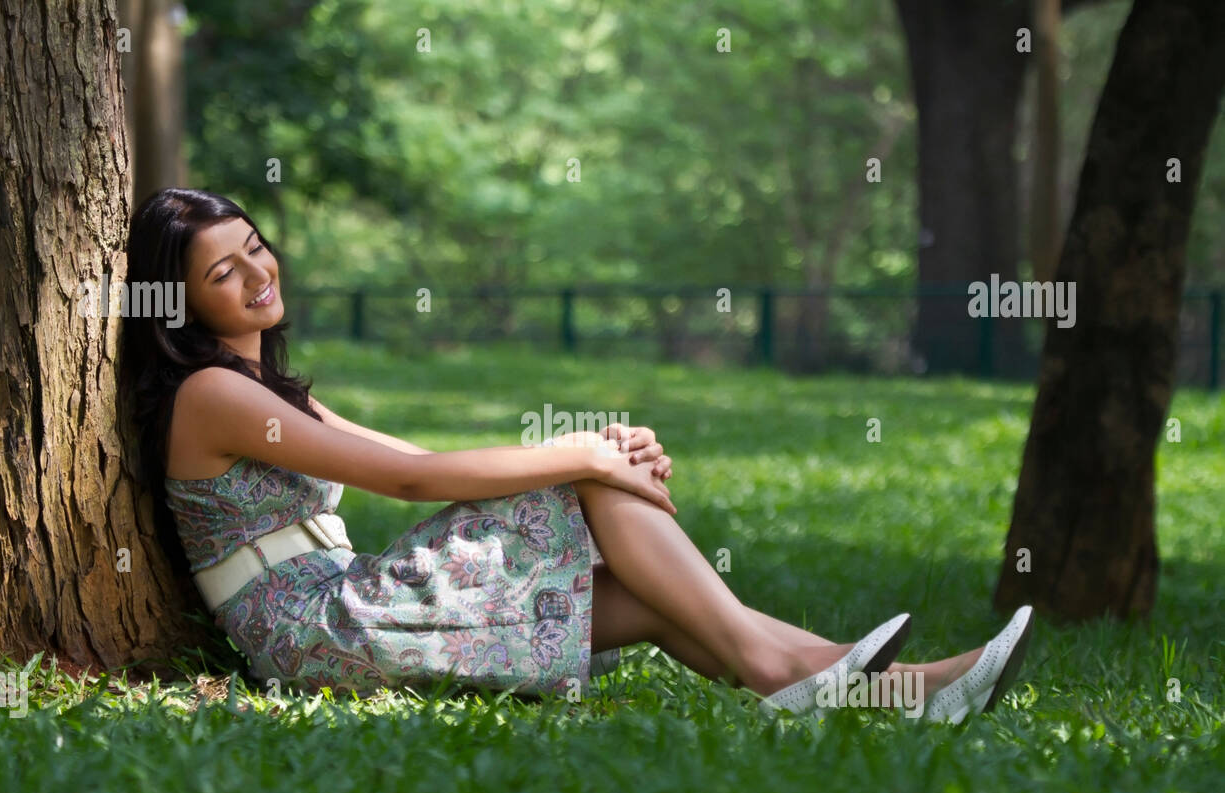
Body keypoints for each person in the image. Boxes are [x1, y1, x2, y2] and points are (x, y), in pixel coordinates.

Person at [119, 187, 1035, 724]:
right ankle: (792, 677)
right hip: (313, 633)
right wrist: (580, 455)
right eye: (221, 274)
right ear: (181, 302)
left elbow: (417, 453)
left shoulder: (266, 387)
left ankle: (884, 687)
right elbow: (405, 482)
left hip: (342, 606)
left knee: (639, 596)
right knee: (588, 494)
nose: (256, 275)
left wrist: (587, 453)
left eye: (254, 248)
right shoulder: (211, 394)